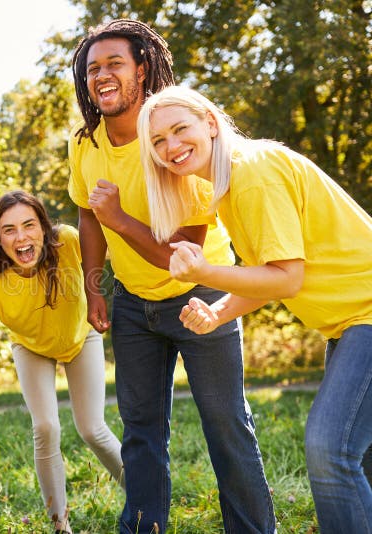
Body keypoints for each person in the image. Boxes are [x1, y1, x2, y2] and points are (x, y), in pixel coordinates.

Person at [67, 19, 275, 533]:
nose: (102, 75)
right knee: (140, 431)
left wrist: (119, 218)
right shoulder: (85, 143)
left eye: (115, 63)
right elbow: (88, 213)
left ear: (142, 68)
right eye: (93, 68)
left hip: (203, 294)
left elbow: (182, 254)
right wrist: (97, 287)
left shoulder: (173, 139)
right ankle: (143, 528)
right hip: (134, 305)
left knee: (226, 425)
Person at [138, 84, 372, 533]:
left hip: (366, 318)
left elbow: (287, 278)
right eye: (158, 141)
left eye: (179, 129)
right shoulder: (230, 185)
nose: (170, 147)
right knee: (355, 459)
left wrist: (204, 273)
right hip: (349, 326)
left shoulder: (253, 172)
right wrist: (219, 312)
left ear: (209, 122)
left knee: (331, 451)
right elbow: (270, 275)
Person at [0, 190, 123, 534]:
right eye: (9, 230)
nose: (21, 237)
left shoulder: (69, 242)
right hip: (31, 347)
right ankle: (60, 523)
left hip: (80, 336)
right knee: (45, 427)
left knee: (92, 428)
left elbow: (110, 255)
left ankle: (145, 497)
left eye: (29, 225)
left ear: (44, 229)